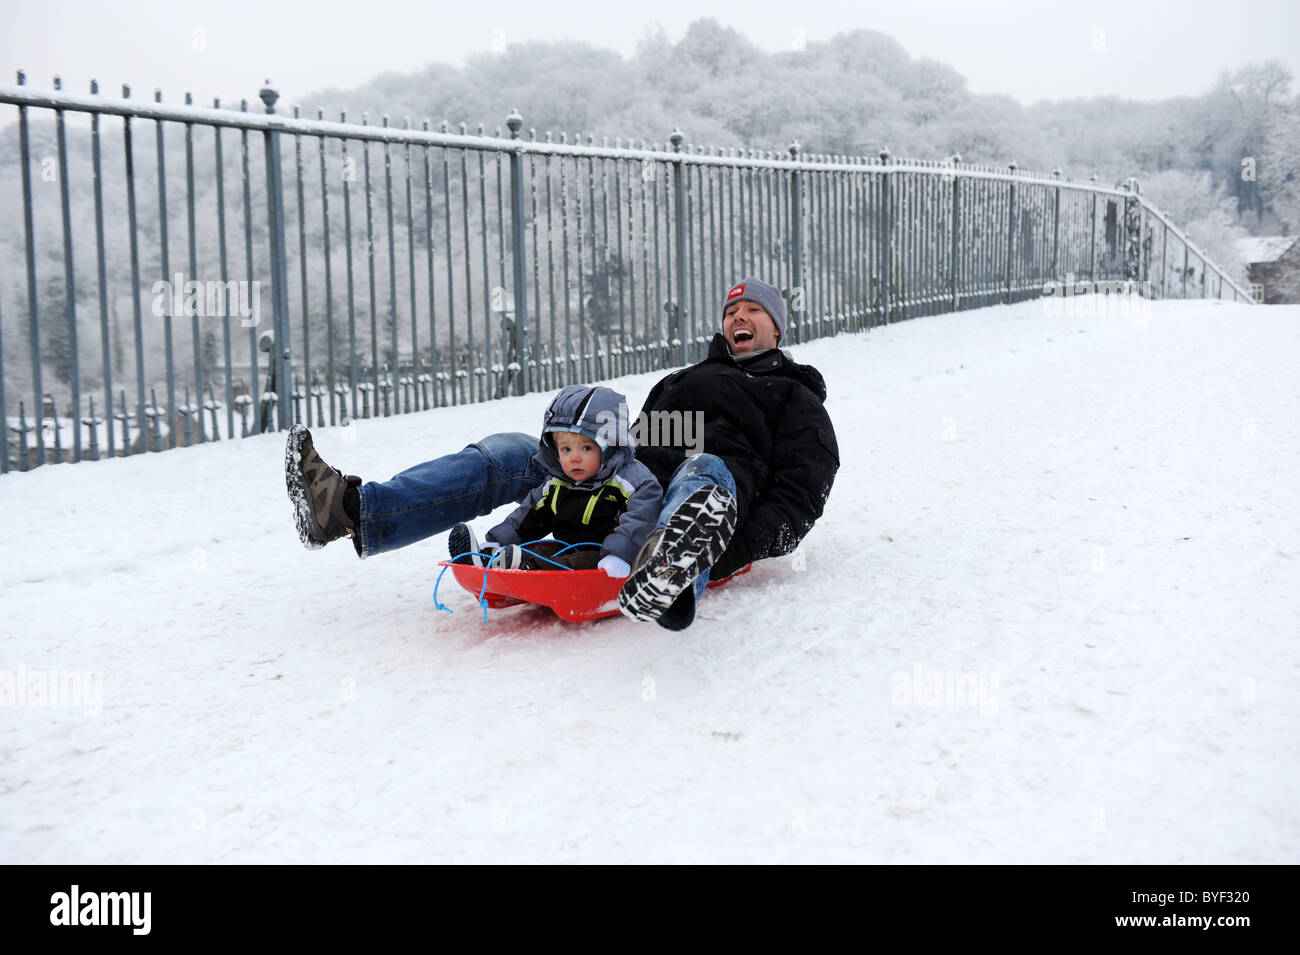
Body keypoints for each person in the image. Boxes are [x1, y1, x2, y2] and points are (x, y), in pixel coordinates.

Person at [286, 277, 839, 630]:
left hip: (702, 495)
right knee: (512, 452)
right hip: (626, 485)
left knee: (704, 468)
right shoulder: (684, 379)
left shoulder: (795, 397)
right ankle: (351, 511)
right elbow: (633, 436)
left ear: (776, 325)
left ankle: (676, 555)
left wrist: (729, 552)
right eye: (731, 311)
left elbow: (800, 498)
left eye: (752, 311)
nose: (737, 318)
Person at [447, 384, 663, 575]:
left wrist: (620, 554)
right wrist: (499, 539)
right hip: (567, 548)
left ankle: (526, 570)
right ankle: (489, 557)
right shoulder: (558, 483)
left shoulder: (633, 482)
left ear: (611, 445)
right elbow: (528, 516)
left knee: (574, 562)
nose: (574, 458)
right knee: (541, 550)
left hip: (608, 559)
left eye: (586, 448)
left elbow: (640, 521)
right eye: (566, 449)